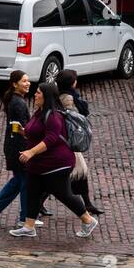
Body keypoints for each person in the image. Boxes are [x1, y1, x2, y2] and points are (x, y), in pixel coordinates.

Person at [10, 81, 99, 239]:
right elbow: (37, 132)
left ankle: (88, 220)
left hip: (56, 164)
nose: (35, 95)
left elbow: (51, 139)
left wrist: (30, 152)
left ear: (46, 96)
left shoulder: (54, 116)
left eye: (38, 93)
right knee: (33, 191)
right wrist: (24, 132)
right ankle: (29, 227)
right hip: (39, 164)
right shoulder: (39, 112)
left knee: (63, 194)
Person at [0, 70, 42, 229]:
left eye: (28, 81)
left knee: (19, 180)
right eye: (24, 81)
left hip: (12, 146)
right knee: (26, 182)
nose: (28, 83)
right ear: (15, 84)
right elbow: (21, 128)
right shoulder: (19, 103)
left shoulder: (14, 100)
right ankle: (25, 217)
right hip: (19, 148)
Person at [56, 69, 103, 215]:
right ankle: (37, 204)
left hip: (67, 142)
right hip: (68, 142)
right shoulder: (69, 98)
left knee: (80, 172)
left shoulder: (60, 94)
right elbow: (72, 120)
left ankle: (87, 203)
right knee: (67, 175)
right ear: (72, 83)